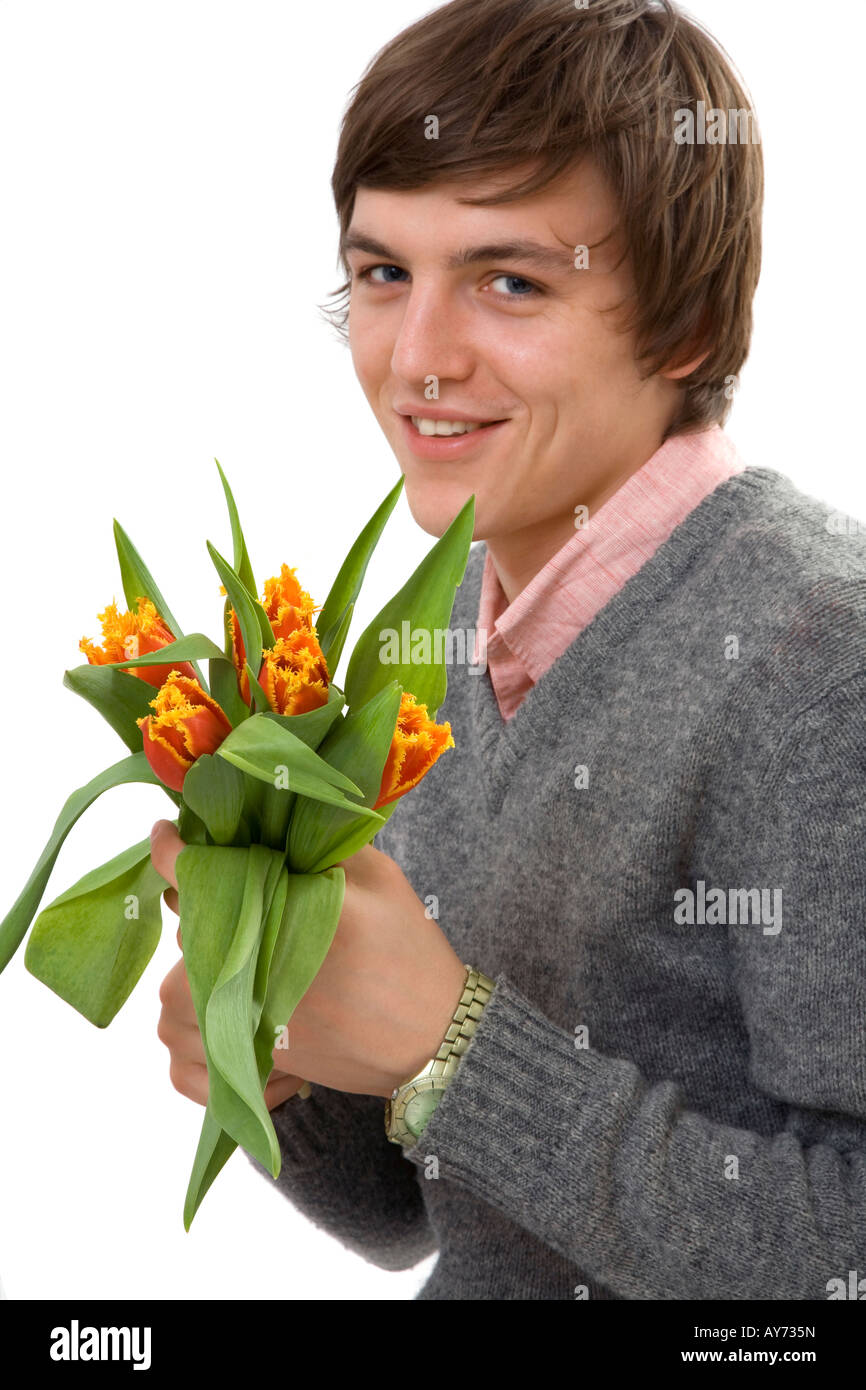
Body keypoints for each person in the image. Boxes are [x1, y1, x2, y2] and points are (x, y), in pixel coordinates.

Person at [152, 0, 866, 1299]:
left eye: (510, 280)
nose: (414, 359)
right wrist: (286, 1048)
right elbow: (415, 1217)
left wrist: (448, 1044)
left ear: (685, 323)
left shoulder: (825, 654)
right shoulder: (441, 635)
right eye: (382, 274)